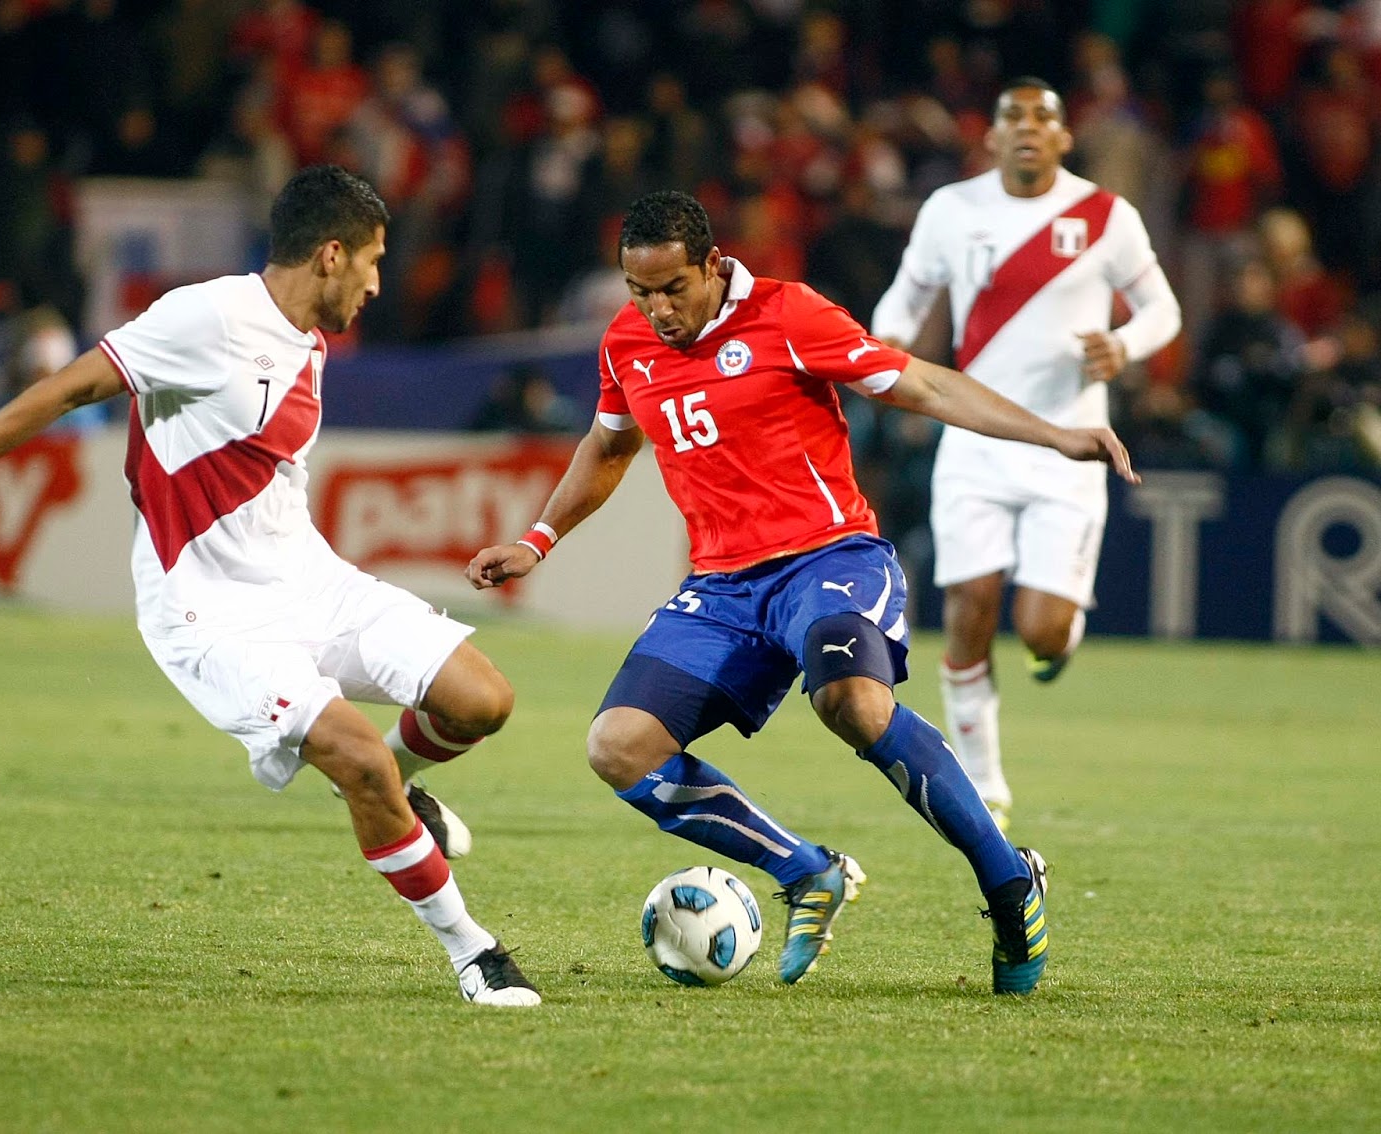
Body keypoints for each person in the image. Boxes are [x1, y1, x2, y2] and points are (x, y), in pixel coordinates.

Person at [0, 165, 539, 1008]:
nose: (376, 281)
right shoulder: (205, 317)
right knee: (357, 758)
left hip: (307, 580)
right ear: (331, 254)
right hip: (211, 613)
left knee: (482, 700)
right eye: (372, 260)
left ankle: (397, 787)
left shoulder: (312, 343)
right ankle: (474, 953)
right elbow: (69, 388)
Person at [468, 189, 1139, 994]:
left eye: (672, 289)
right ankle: (807, 872)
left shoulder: (791, 315)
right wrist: (536, 540)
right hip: (720, 588)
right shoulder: (625, 344)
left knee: (851, 701)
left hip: (829, 558)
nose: (656, 310)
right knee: (617, 747)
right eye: (639, 292)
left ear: (714, 266)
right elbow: (608, 449)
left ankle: (1008, 883)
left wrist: (1057, 435)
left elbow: (921, 386)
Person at [872, 77, 1180, 832]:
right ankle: (984, 784)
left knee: (1041, 629)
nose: (1029, 128)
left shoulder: (1106, 216)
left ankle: (1059, 640)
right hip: (975, 442)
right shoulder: (952, 210)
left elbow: (1162, 309)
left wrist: (1125, 345)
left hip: (1069, 449)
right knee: (969, 607)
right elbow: (900, 310)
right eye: (1015, 116)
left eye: (1044, 116)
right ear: (994, 135)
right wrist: (882, 357)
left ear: (1064, 137)